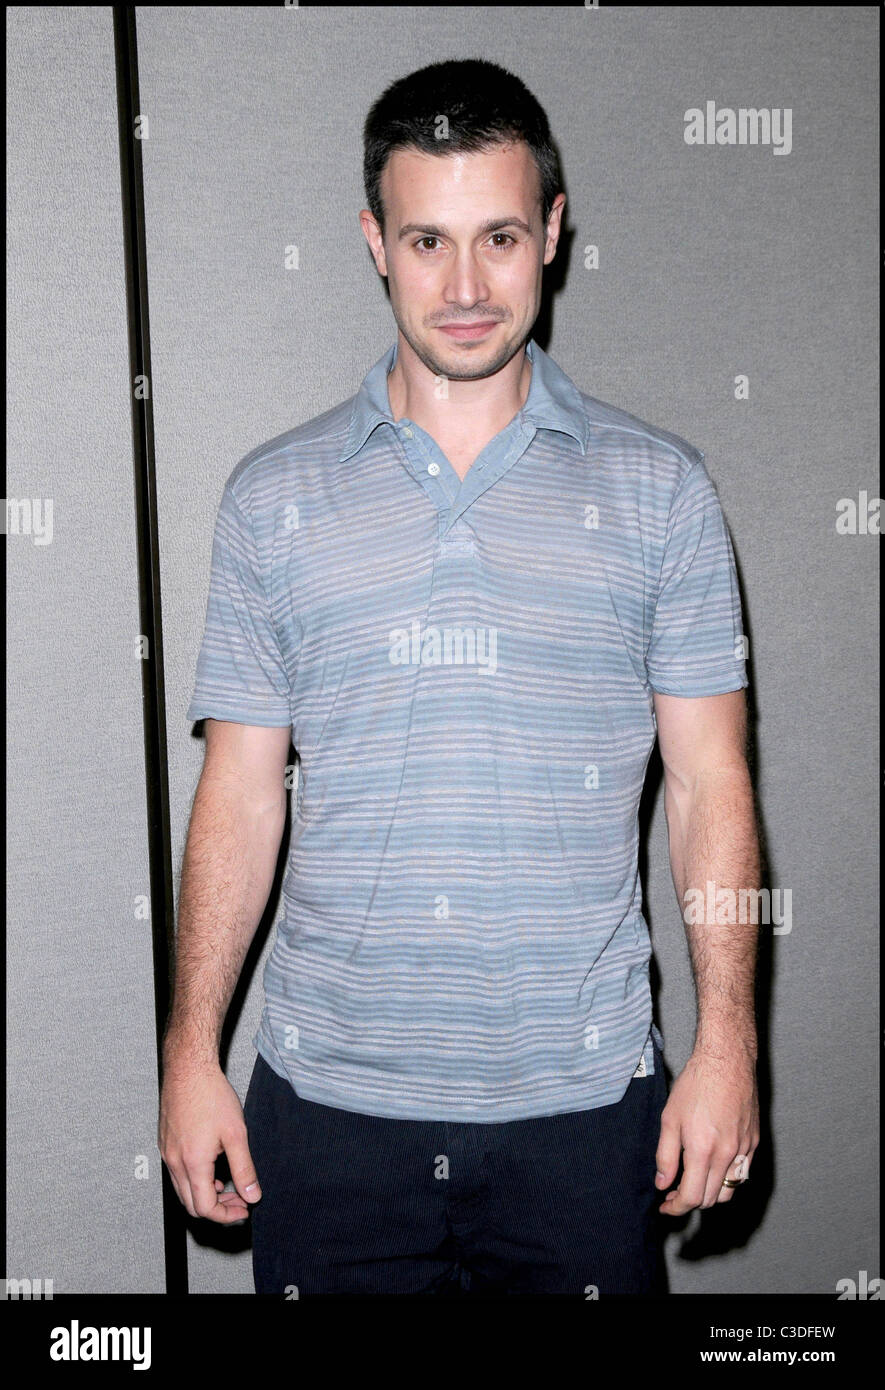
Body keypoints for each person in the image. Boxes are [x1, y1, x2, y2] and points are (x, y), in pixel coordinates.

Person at [159, 57, 760, 1297]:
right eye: (427, 239)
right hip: (327, 1114)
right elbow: (240, 794)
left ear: (552, 231)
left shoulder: (662, 491)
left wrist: (730, 1042)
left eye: (499, 235)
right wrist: (190, 1050)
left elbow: (712, 785)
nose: (468, 285)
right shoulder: (273, 499)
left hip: (586, 1110)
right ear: (374, 241)